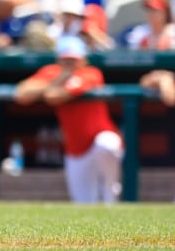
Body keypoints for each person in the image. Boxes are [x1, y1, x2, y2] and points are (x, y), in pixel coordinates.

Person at [14, 36, 122, 204]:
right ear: (59, 60)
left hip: (97, 141)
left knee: (107, 144)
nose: (70, 65)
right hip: (75, 150)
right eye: (66, 60)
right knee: (84, 206)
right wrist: (58, 79)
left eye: (74, 60)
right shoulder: (52, 73)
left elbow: (53, 96)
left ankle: (111, 191)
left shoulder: (91, 74)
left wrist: (52, 84)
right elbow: (21, 93)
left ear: (83, 60)